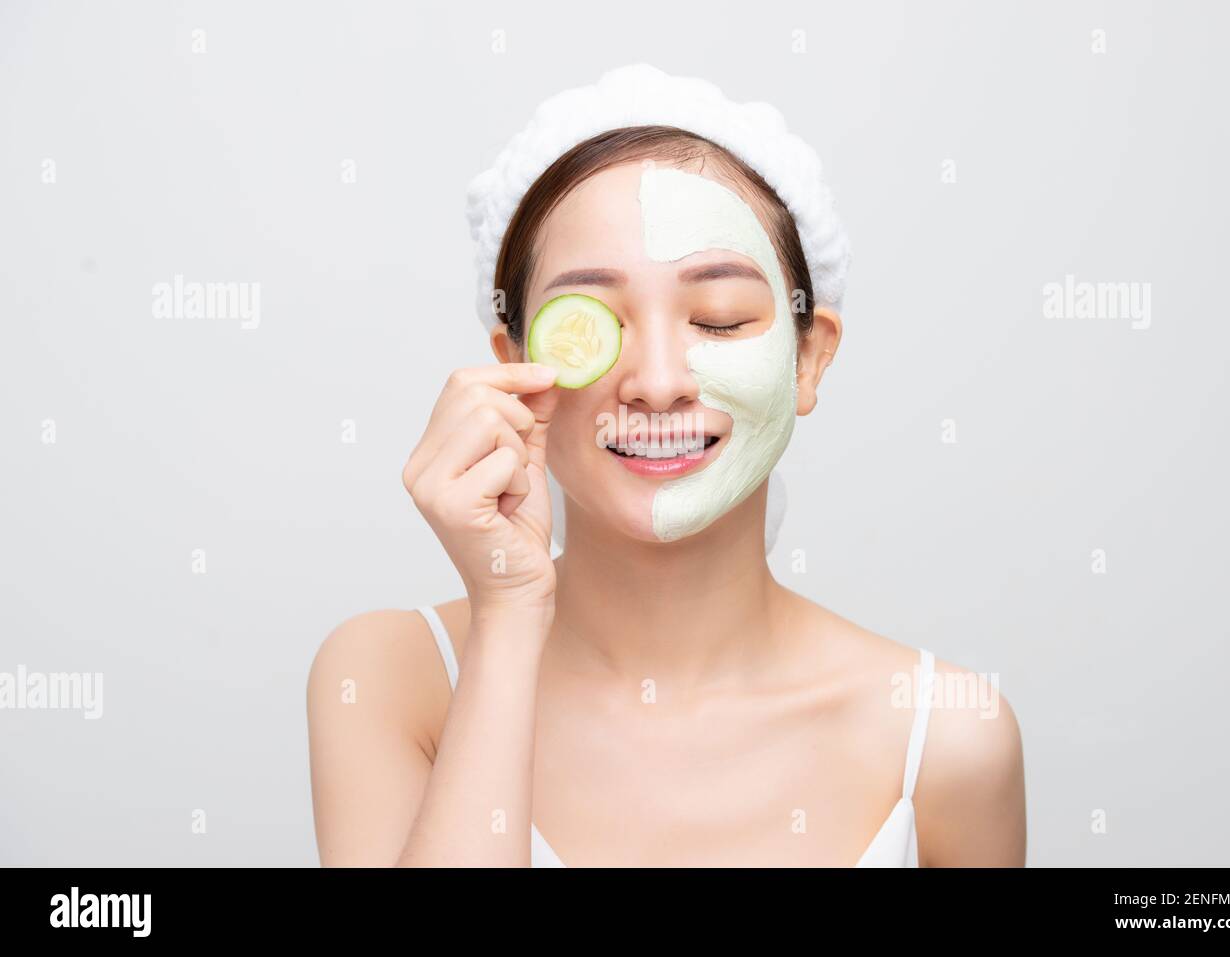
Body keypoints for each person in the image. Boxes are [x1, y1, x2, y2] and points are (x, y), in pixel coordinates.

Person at [307, 64, 1026, 867]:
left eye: (718, 321)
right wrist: (508, 614)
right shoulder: (390, 678)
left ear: (808, 358)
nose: (655, 383)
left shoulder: (945, 734)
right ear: (513, 367)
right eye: (594, 325)